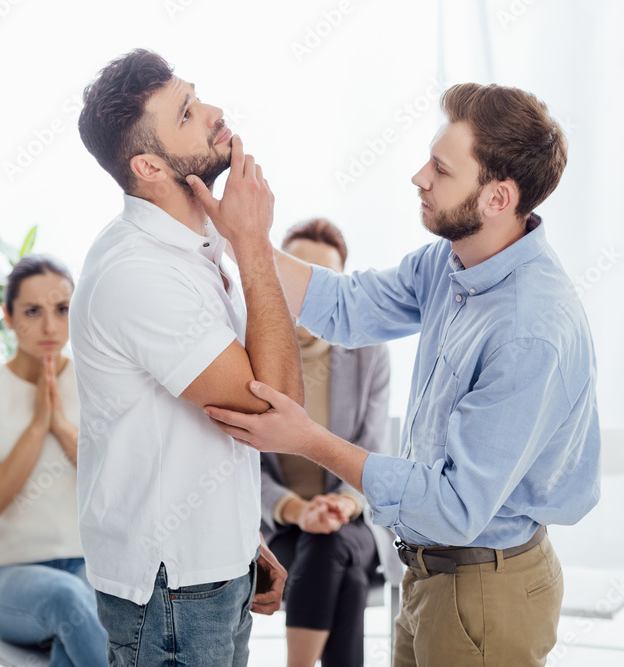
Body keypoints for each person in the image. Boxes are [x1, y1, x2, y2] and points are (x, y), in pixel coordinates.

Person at [200, 82, 601, 667]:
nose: (419, 176)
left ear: (497, 198)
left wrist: (307, 438)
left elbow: (453, 506)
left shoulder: (530, 331)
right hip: (429, 575)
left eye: (441, 168)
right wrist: (241, 239)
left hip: (486, 591)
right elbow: (347, 306)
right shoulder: (455, 258)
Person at [70, 49, 295, 665]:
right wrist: (252, 246)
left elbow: (184, 438)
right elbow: (273, 410)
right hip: (171, 596)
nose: (216, 114)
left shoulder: (187, 250)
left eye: (197, 97)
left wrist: (237, 539)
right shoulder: (139, 273)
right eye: (189, 113)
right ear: (148, 164)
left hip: (208, 572)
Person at [0, 255, 108, 666]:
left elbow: (118, 484)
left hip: (94, 567)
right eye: (33, 312)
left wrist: (61, 426)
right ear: (7, 315)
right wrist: (38, 426)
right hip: (15, 579)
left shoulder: (97, 384)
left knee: (75, 632)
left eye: (62, 310)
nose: (51, 328)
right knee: (68, 600)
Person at [261, 218, 398, 667]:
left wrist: (339, 506)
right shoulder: (250, 351)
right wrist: (299, 510)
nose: (307, 292)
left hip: (351, 520)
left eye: (323, 281)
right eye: (297, 275)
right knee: (349, 582)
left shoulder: (368, 352)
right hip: (277, 527)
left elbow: (373, 448)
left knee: (330, 544)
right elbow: (237, 464)